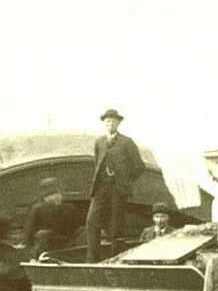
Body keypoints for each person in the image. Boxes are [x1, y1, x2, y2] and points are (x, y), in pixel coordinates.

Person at [85, 108, 145, 257]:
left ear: (118, 123)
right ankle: (92, 260)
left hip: (118, 189)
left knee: (116, 224)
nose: (110, 123)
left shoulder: (126, 142)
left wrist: (124, 179)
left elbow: (139, 166)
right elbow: (96, 163)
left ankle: (115, 258)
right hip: (101, 188)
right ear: (104, 123)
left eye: (113, 121)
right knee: (92, 222)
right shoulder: (99, 142)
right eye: (108, 121)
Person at [23, 178, 84, 259]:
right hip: (49, 247)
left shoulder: (70, 208)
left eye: (58, 193)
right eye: (51, 194)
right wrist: (31, 257)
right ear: (45, 197)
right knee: (42, 234)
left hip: (69, 245)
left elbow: (79, 227)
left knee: (83, 231)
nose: (56, 197)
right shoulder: (38, 210)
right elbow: (29, 237)